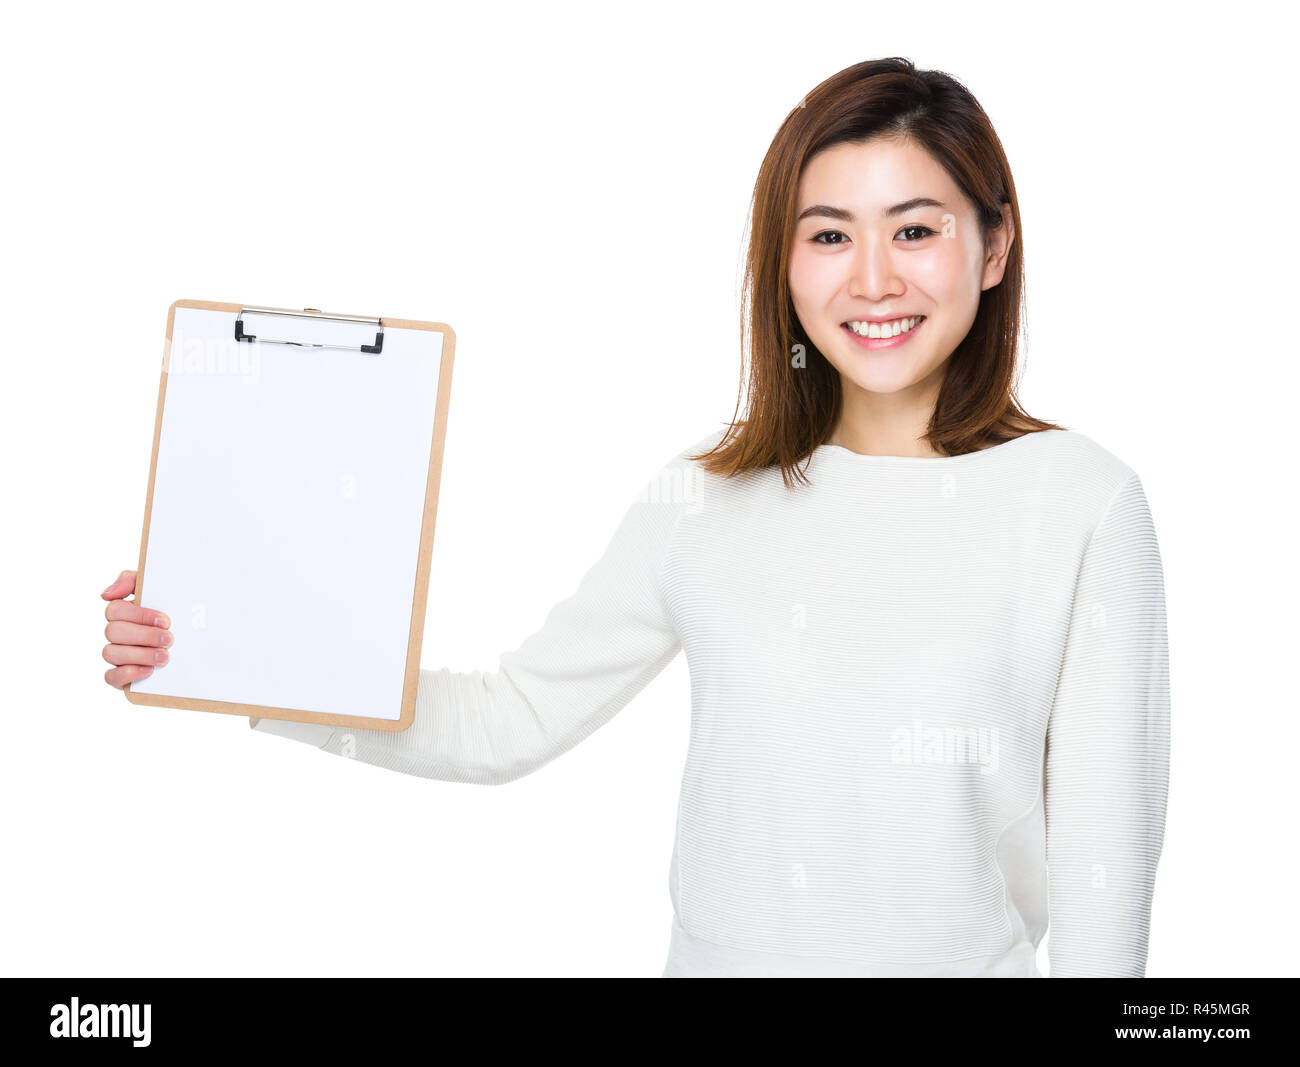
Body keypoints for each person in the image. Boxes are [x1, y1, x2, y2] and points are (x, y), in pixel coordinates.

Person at [102, 57, 1170, 977]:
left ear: (992, 247)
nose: (874, 277)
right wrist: (236, 659)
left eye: (917, 229)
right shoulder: (703, 498)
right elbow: (505, 717)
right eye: (830, 234)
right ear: (784, 263)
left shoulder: (1080, 502)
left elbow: (1101, 870)